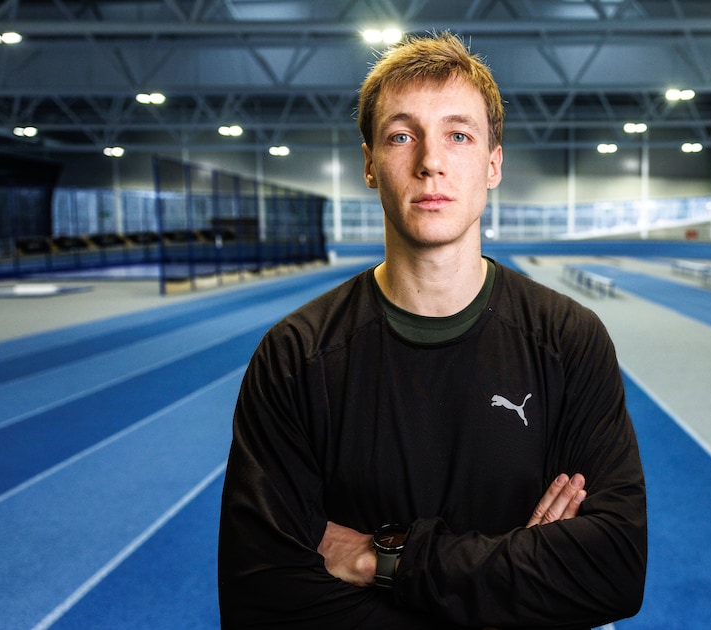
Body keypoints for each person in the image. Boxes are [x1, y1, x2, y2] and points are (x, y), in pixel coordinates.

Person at [217, 32, 647, 629]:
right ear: (369, 163)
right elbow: (262, 600)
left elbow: (613, 570)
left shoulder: (570, 342)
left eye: (459, 134)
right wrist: (518, 585)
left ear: (493, 163)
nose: (430, 161)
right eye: (401, 135)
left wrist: (382, 559)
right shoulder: (297, 358)